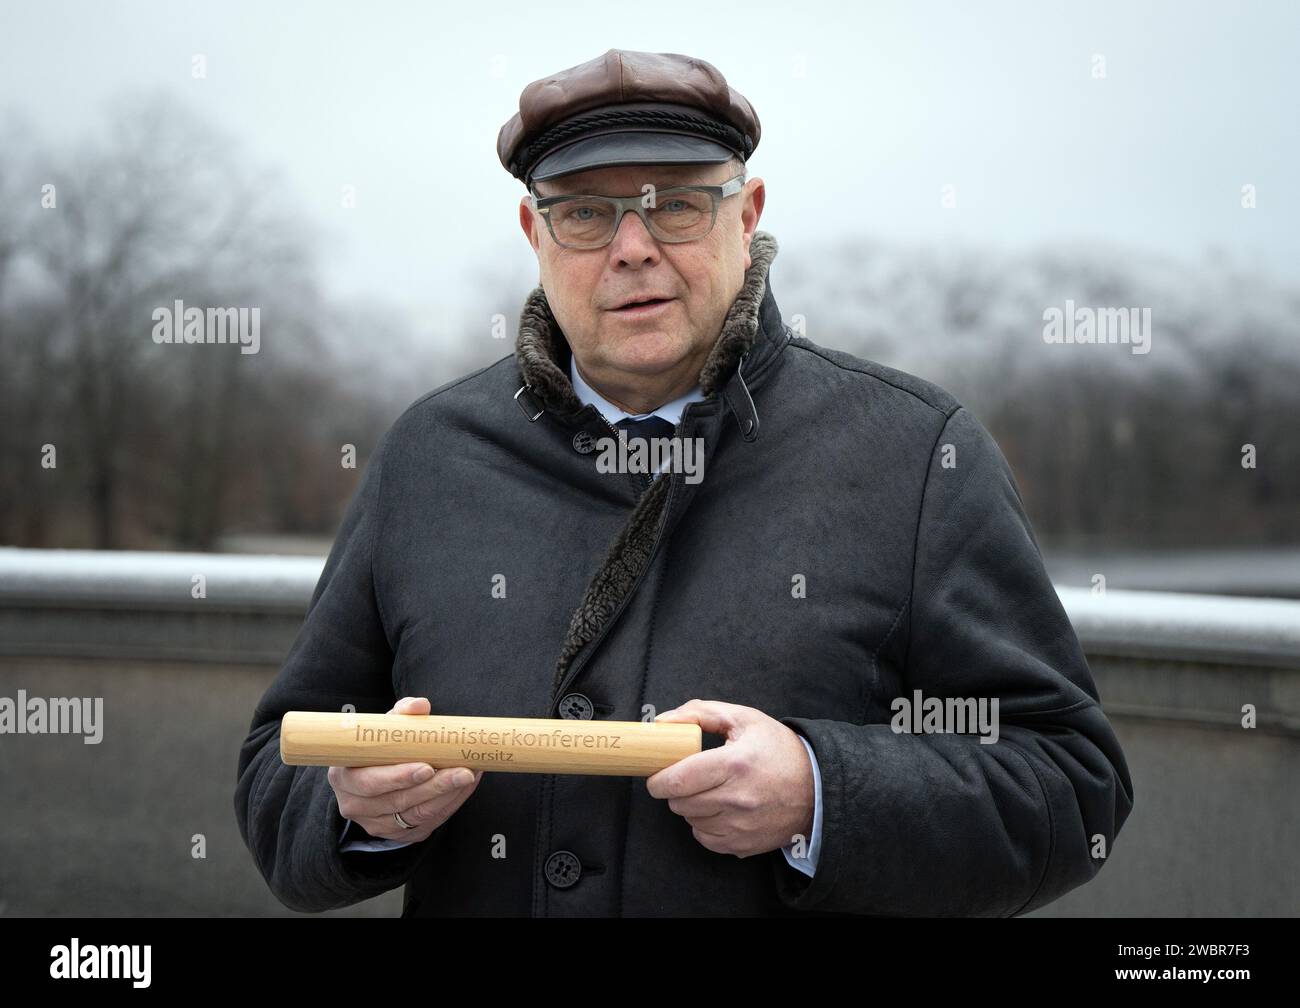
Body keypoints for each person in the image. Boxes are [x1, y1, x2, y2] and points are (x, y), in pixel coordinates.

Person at [234, 48, 1133, 917]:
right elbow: (276, 774)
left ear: (747, 217)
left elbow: (1069, 783)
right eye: (585, 213)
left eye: (675, 208)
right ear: (533, 233)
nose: (631, 249)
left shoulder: (916, 453)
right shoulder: (428, 454)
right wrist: (357, 814)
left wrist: (822, 798)